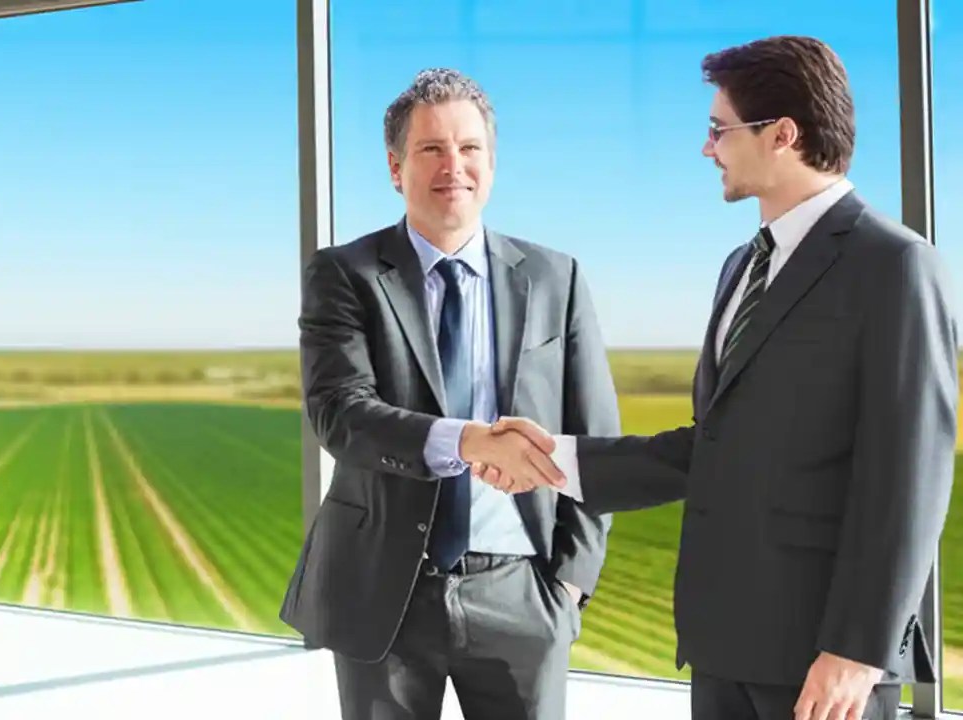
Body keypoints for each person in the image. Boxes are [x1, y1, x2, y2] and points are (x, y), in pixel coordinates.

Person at [478, 35, 958, 720]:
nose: (708, 149)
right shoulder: (741, 266)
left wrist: (858, 651)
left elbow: (910, 476)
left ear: (783, 135)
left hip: (825, 664)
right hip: (724, 646)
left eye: (719, 129)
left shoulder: (895, 265)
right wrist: (552, 459)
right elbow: (713, 444)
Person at [278, 67, 620, 719]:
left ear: (492, 162)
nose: (452, 166)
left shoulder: (556, 277)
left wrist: (571, 583)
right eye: (431, 148)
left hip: (523, 592)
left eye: (469, 148)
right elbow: (340, 414)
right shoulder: (346, 274)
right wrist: (468, 442)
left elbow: (593, 436)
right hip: (385, 591)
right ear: (395, 166)